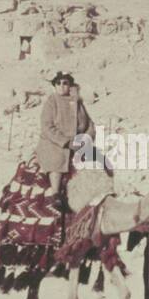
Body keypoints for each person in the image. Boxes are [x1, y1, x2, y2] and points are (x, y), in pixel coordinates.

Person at [36, 71, 95, 206]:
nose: (62, 86)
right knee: (57, 160)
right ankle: (55, 194)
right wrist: (66, 142)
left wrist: (86, 139)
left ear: (70, 85)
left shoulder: (77, 103)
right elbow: (47, 126)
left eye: (65, 83)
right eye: (59, 83)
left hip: (78, 143)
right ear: (55, 86)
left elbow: (89, 124)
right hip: (54, 142)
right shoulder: (51, 102)